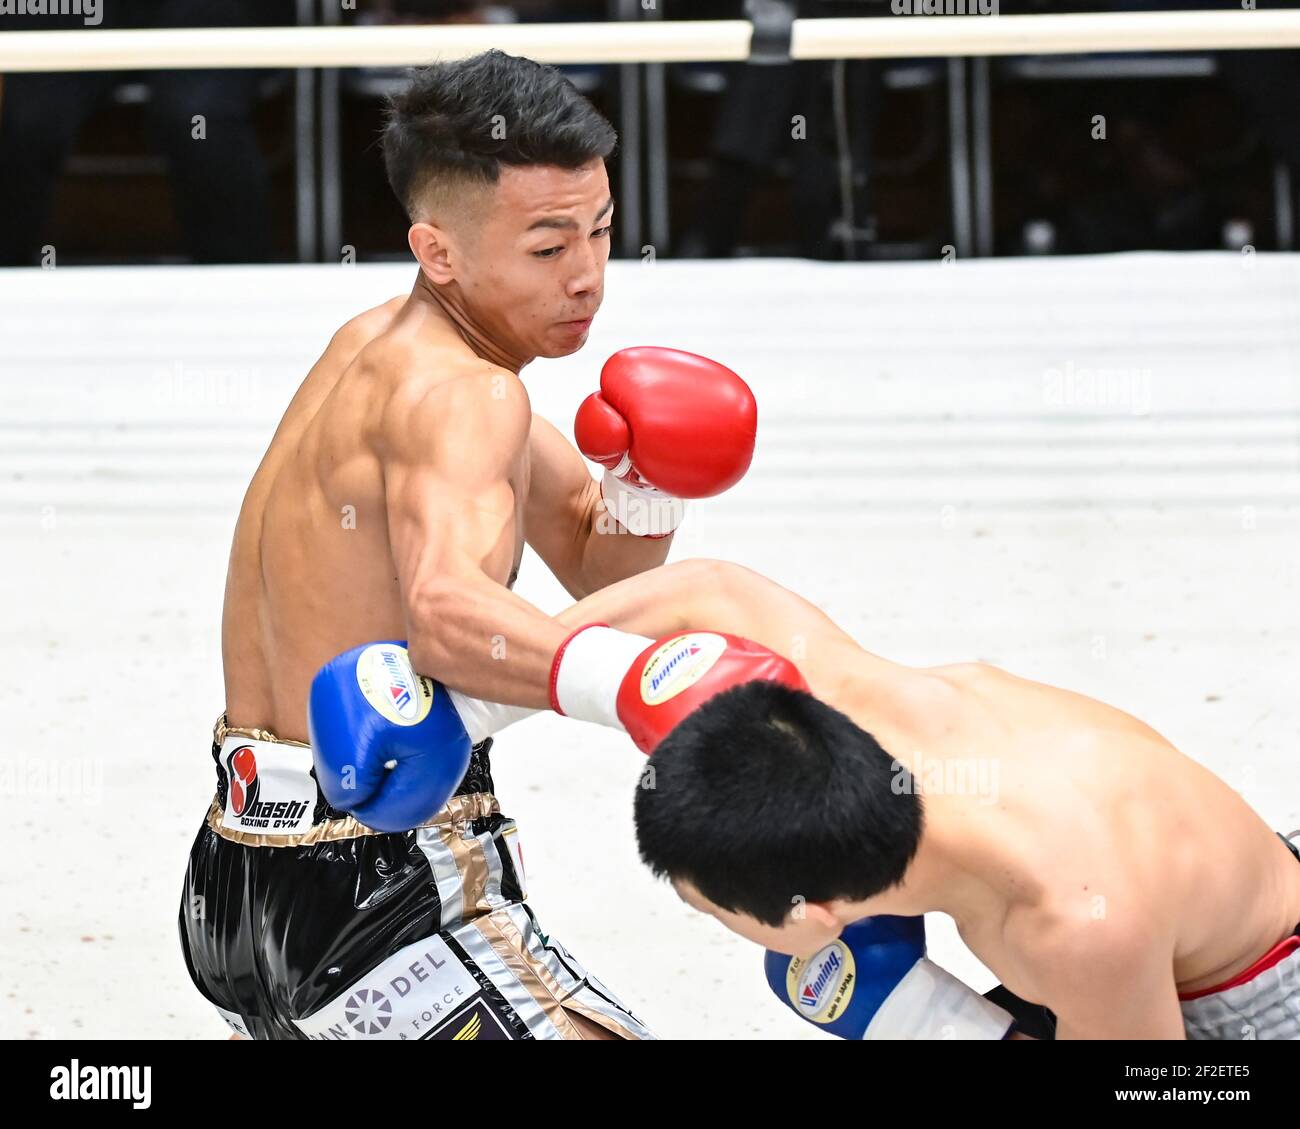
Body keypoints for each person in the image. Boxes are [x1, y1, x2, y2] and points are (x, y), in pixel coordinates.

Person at [177, 50, 756, 1041]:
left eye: (600, 231)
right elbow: (447, 617)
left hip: (238, 880)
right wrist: (645, 684)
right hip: (386, 876)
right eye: (545, 247)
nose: (587, 275)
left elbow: (594, 555)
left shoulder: (384, 345)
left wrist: (645, 482)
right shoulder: (470, 395)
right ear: (438, 250)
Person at [523, 557, 1300, 1039]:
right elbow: (705, 589)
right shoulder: (855, 699)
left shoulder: (1069, 925)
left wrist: (926, 1022)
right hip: (1221, 898)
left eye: (711, 909)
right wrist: (455, 708)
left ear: (812, 918)